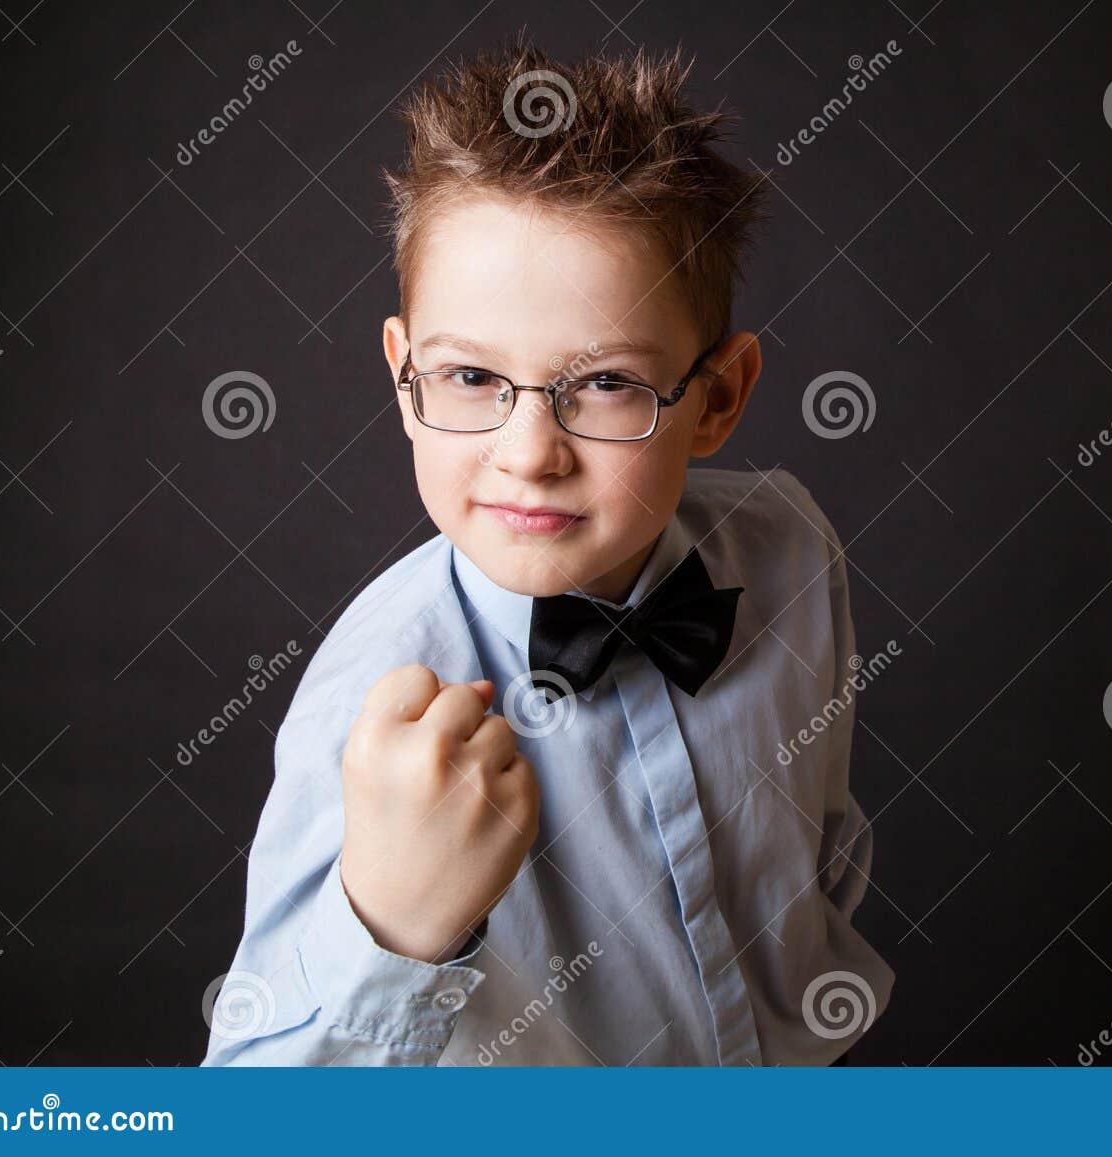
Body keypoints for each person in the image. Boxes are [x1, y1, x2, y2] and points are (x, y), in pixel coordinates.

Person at [202, 38, 892, 1066]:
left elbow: (817, 850)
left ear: (717, 398)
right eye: (472, 377)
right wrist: (396, 928)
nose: (529, 454)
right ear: (404, 378)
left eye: (606, 383)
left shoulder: (788, 546)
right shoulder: (373, 694)